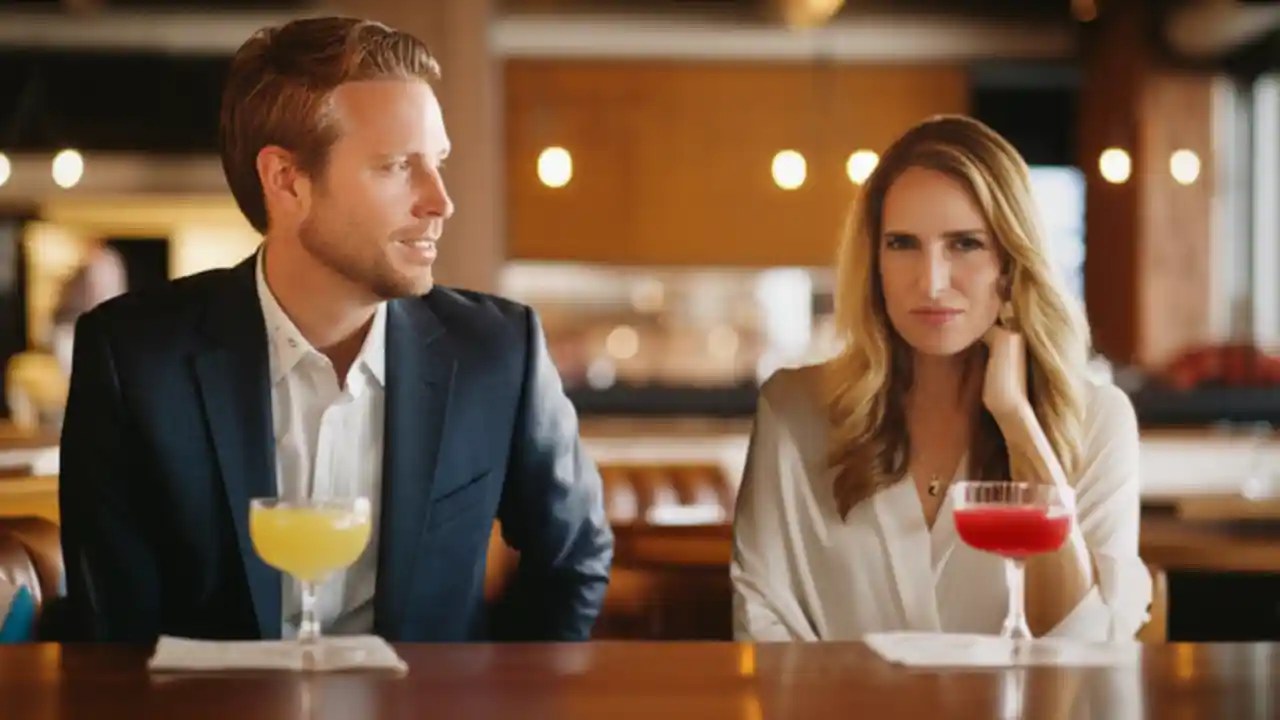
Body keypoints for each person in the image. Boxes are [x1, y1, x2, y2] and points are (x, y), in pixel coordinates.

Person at [58, 16, 613, 643]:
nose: (439, 200)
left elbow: (573, 560)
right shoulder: (133, 359)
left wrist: (489, 697)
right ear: (286, 180)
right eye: (398, 166)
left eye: (438, 163)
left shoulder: (497, 353)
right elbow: (113, 627)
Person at [730, 115, 1152, 642]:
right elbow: (763, 619)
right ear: (874, 262)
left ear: (1012, 261)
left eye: (965, 244)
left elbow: (1083, 641)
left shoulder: (1098, 420)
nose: (930, 282)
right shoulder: (794, 410)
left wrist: (1017, 421)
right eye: (902, 244)